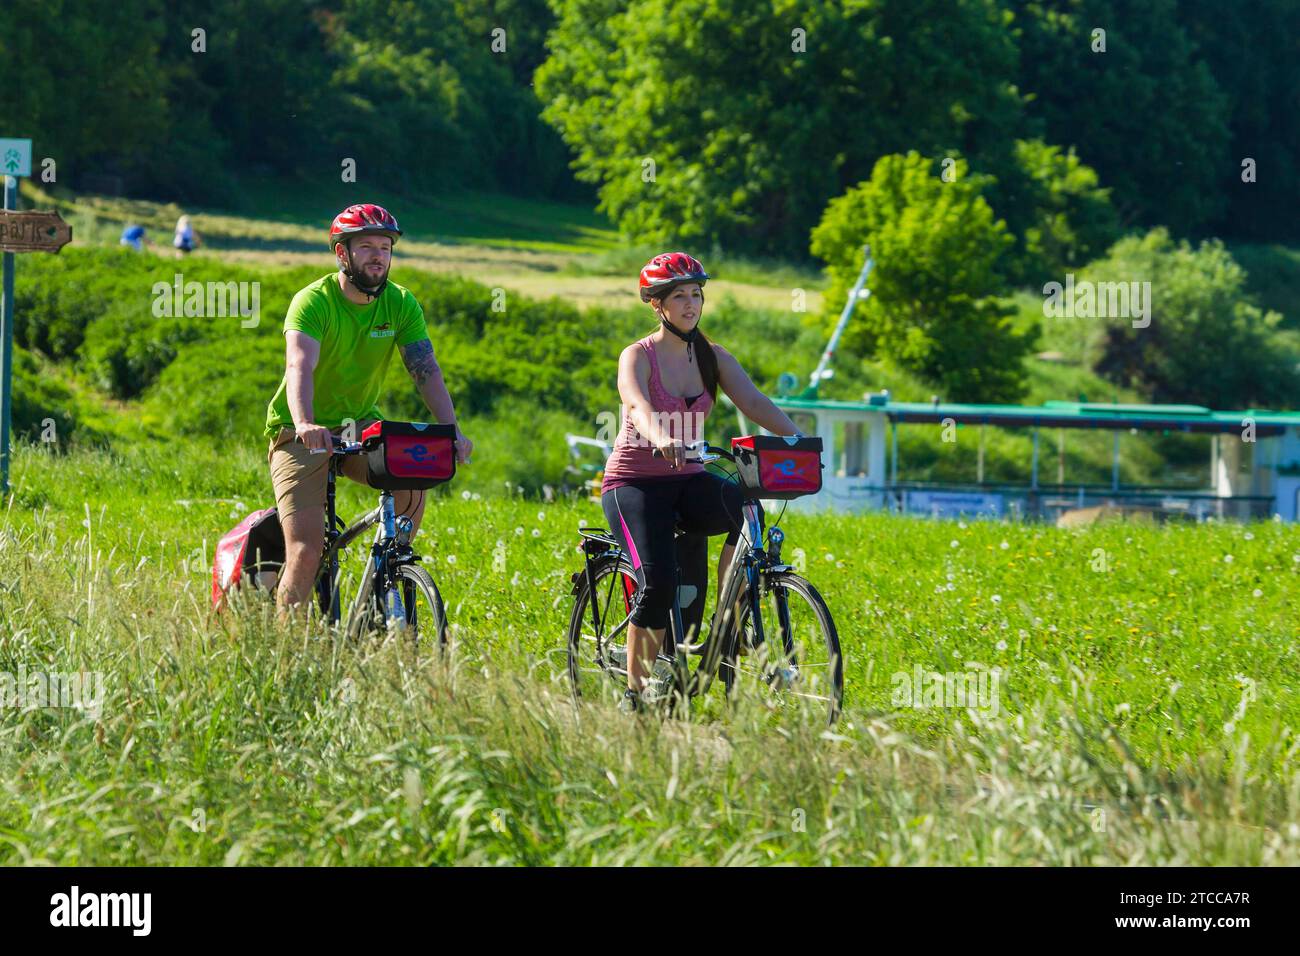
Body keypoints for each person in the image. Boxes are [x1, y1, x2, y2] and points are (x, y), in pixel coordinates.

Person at [602, 252, 801, 713]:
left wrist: (796, 439)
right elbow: (636, 405)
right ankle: (636, 692)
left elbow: (753, 400)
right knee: (657, 581)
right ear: (657, 304)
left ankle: (730, 612)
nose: (691, 305)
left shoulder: (713, 357)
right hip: (634, 482)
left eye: (696, 295)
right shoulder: (638, 355)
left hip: (688, 478)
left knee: (747, 508)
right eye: (679, 297)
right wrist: (661, 436)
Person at [263, 203, 473, 619]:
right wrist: (305, 422)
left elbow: (425, 370)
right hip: (298, 429)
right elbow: (298, 365)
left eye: (385, 247)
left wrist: (451, 430)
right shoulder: (313, 302)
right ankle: (286, 649)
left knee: (411, 485)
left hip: (358, 423)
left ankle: (389, 576)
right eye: (366, 247)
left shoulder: (400, 303)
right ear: (343, 254)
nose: (378, 255)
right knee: (306, 550)